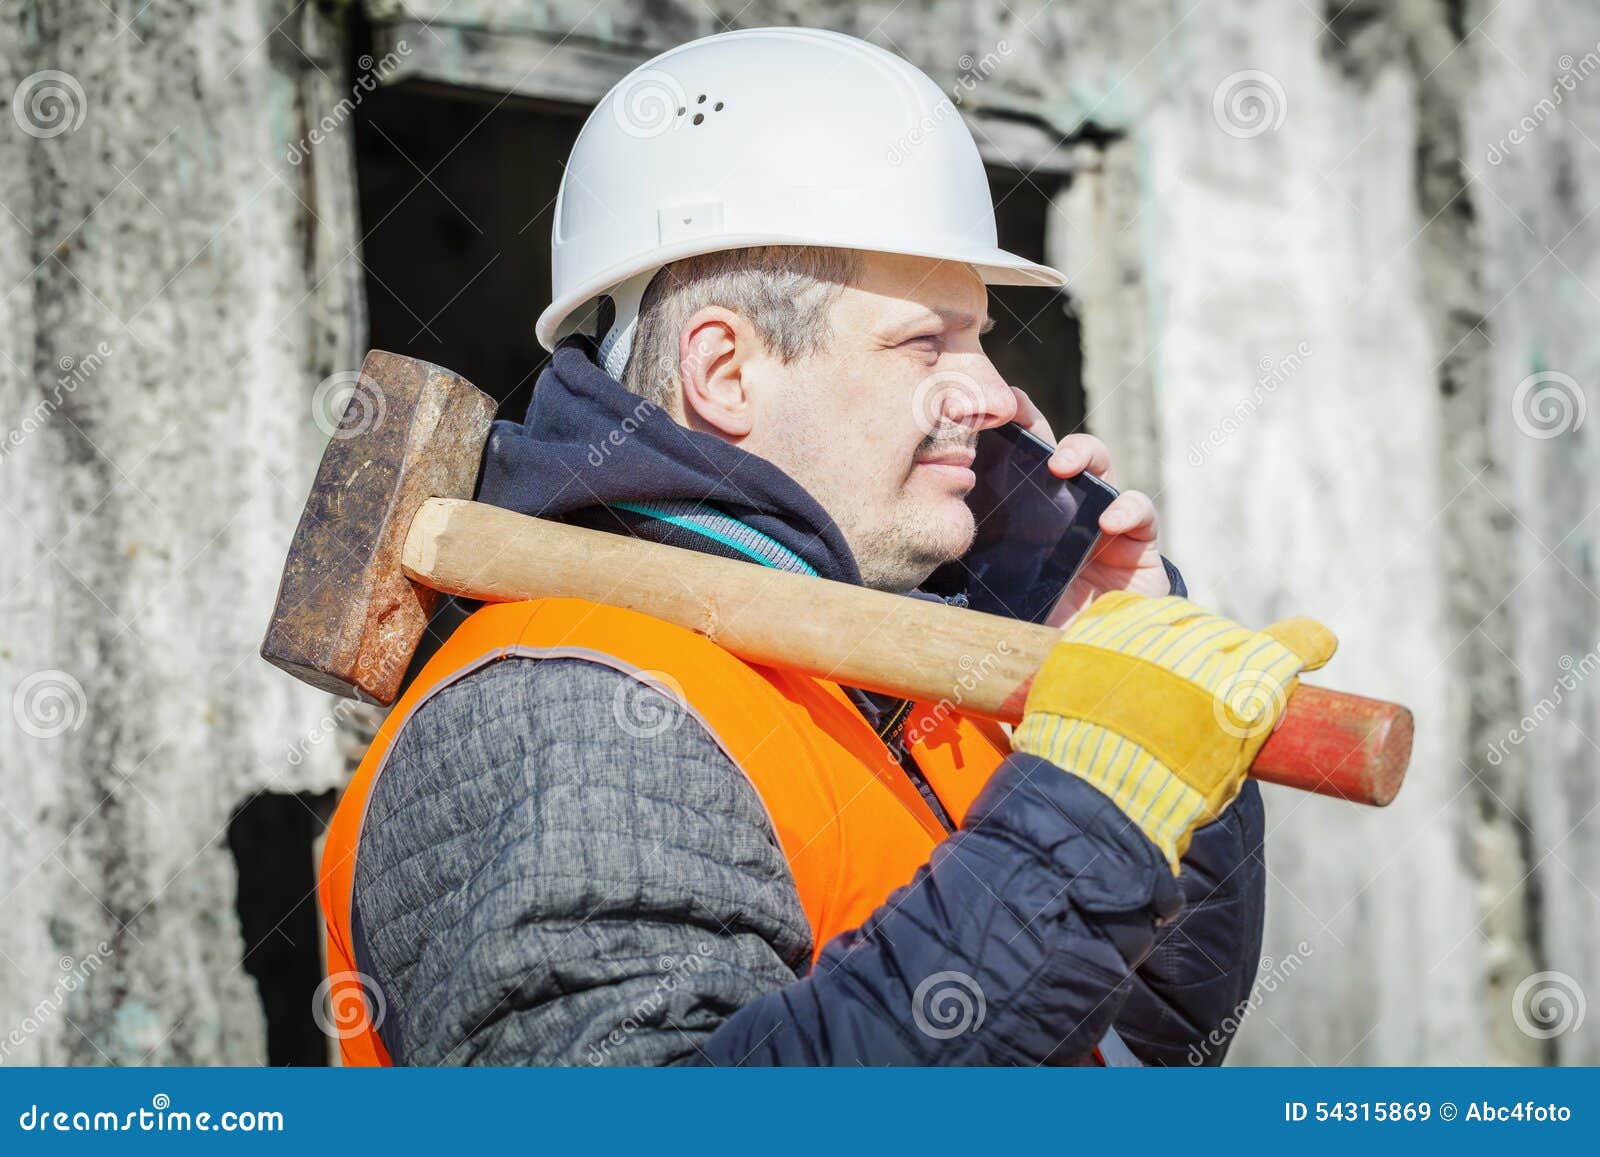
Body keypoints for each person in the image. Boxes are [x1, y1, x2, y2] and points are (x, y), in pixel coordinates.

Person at [316, 27, 1334, 1066]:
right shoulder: (564, 705)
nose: (992, 393)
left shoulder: (909, 673)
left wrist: (1144, 766)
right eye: (925, 340)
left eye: (978, 337)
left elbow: (1127, 1061)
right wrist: (1084, 821)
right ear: (727, 371)